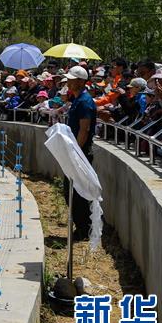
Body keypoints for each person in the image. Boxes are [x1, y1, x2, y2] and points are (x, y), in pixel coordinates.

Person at [64, 65, 97, 240]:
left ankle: (84, 229)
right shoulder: (77, 99)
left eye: (71, 79)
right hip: (75, 151)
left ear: (81, 81)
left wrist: (75, 152)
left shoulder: (84, 102)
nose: (68, 82)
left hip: (80, 152)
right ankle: (82, 227)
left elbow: (84, 130)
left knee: (78, 193)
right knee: (71, 191)